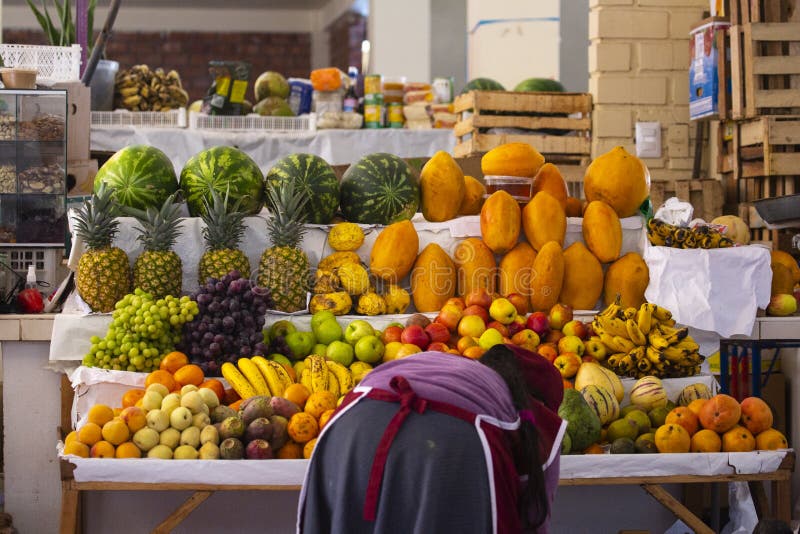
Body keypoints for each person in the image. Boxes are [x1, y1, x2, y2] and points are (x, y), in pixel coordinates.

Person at [297, 344, 566, 534]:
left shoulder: (457, 368)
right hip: (449, 441)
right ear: (539, 403)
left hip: (350, 423)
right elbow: (534, 516)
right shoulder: (531, 420)